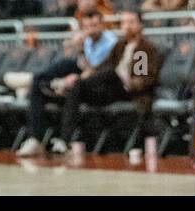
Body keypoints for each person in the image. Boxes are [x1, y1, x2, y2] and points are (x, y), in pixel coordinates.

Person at [53, 11, 163, 152]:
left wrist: (129, 81)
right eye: (124, 22)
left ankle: (64, 85)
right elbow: (102, 67)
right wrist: (81, 75)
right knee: (78, 86)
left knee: (112, 73)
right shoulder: (119, 46)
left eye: (131, 22)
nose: (127, 26)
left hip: (130, 92)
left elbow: (143, 79)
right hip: (112, 89)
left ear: (140, 25)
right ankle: (64, 139)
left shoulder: (144, 49)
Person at [18, 10, 118, 157]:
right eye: (87, 26)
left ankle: (64, 140)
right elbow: (80, 64)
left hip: (100, 84)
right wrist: (75, 47)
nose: (90, 29)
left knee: (75, 83)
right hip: (83, 75)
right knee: (39, 80)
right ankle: (35, 138)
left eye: (94, 25)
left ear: (102, 25)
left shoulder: (112, 42)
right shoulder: (87, 40)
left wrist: (77, 77)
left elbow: (101, 72)